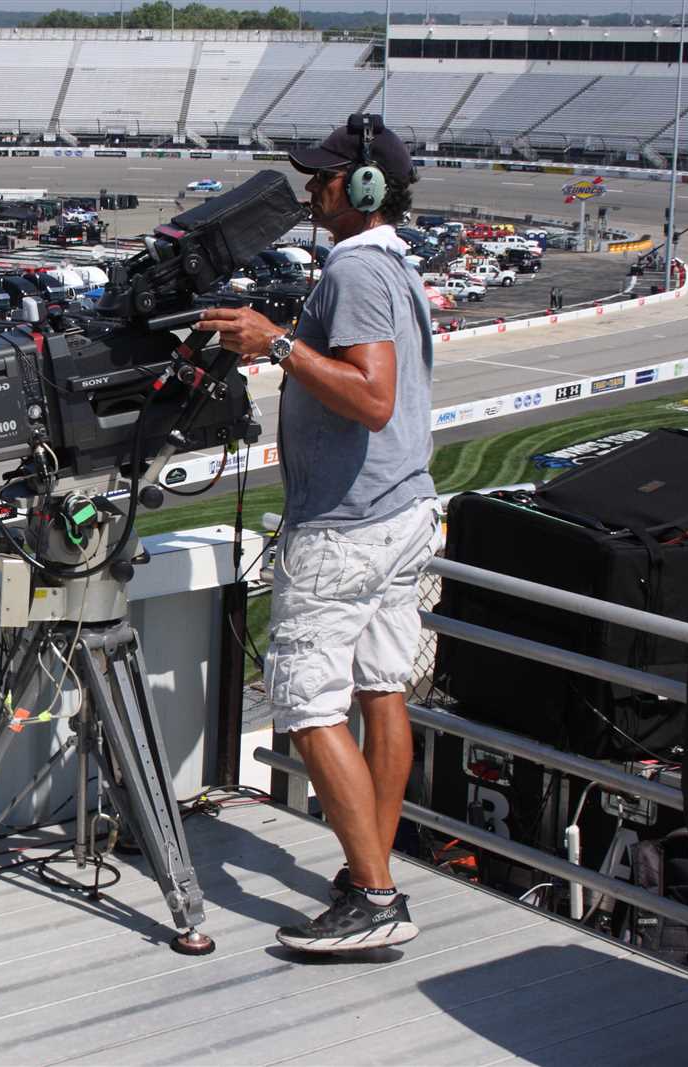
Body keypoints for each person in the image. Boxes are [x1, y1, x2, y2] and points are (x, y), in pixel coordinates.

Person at [197, 114, 437, 955]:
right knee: (380, 689)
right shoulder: (393, 264)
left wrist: (278, 344)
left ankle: (373, 895)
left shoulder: (360, 271)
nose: (312, 189)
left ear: (364, 188)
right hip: (398, 515)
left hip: (349, 527)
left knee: (305, 703)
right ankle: (370, 868)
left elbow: (371, 397)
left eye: (326, 178)